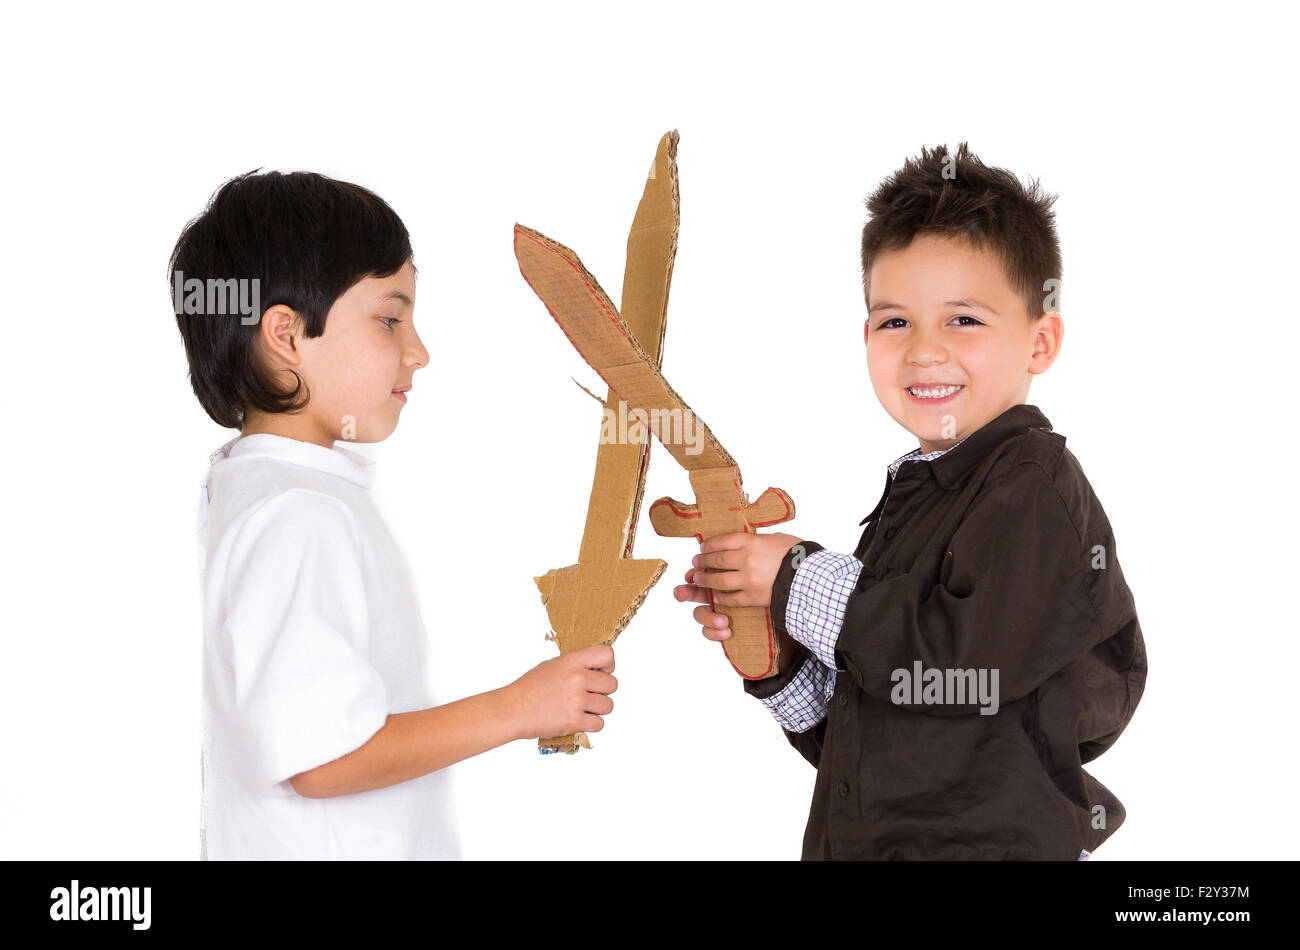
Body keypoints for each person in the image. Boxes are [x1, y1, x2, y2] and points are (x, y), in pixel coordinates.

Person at [675, 143, 1147, 860]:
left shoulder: (1035, 486)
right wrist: (780, 662)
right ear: (866, 335)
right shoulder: (915, 501)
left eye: (964, 320)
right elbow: (879, 733)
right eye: (895, 322)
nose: (925, 350)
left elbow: (961, 664)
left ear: (1040, 340)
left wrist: (795, 576)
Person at [172, 169, 617, 859]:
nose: (419, 350)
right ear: (286, 337)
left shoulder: (266, 492)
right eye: (390, 317)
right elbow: (321, 760)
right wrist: (521, 707)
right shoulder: (298, 516)